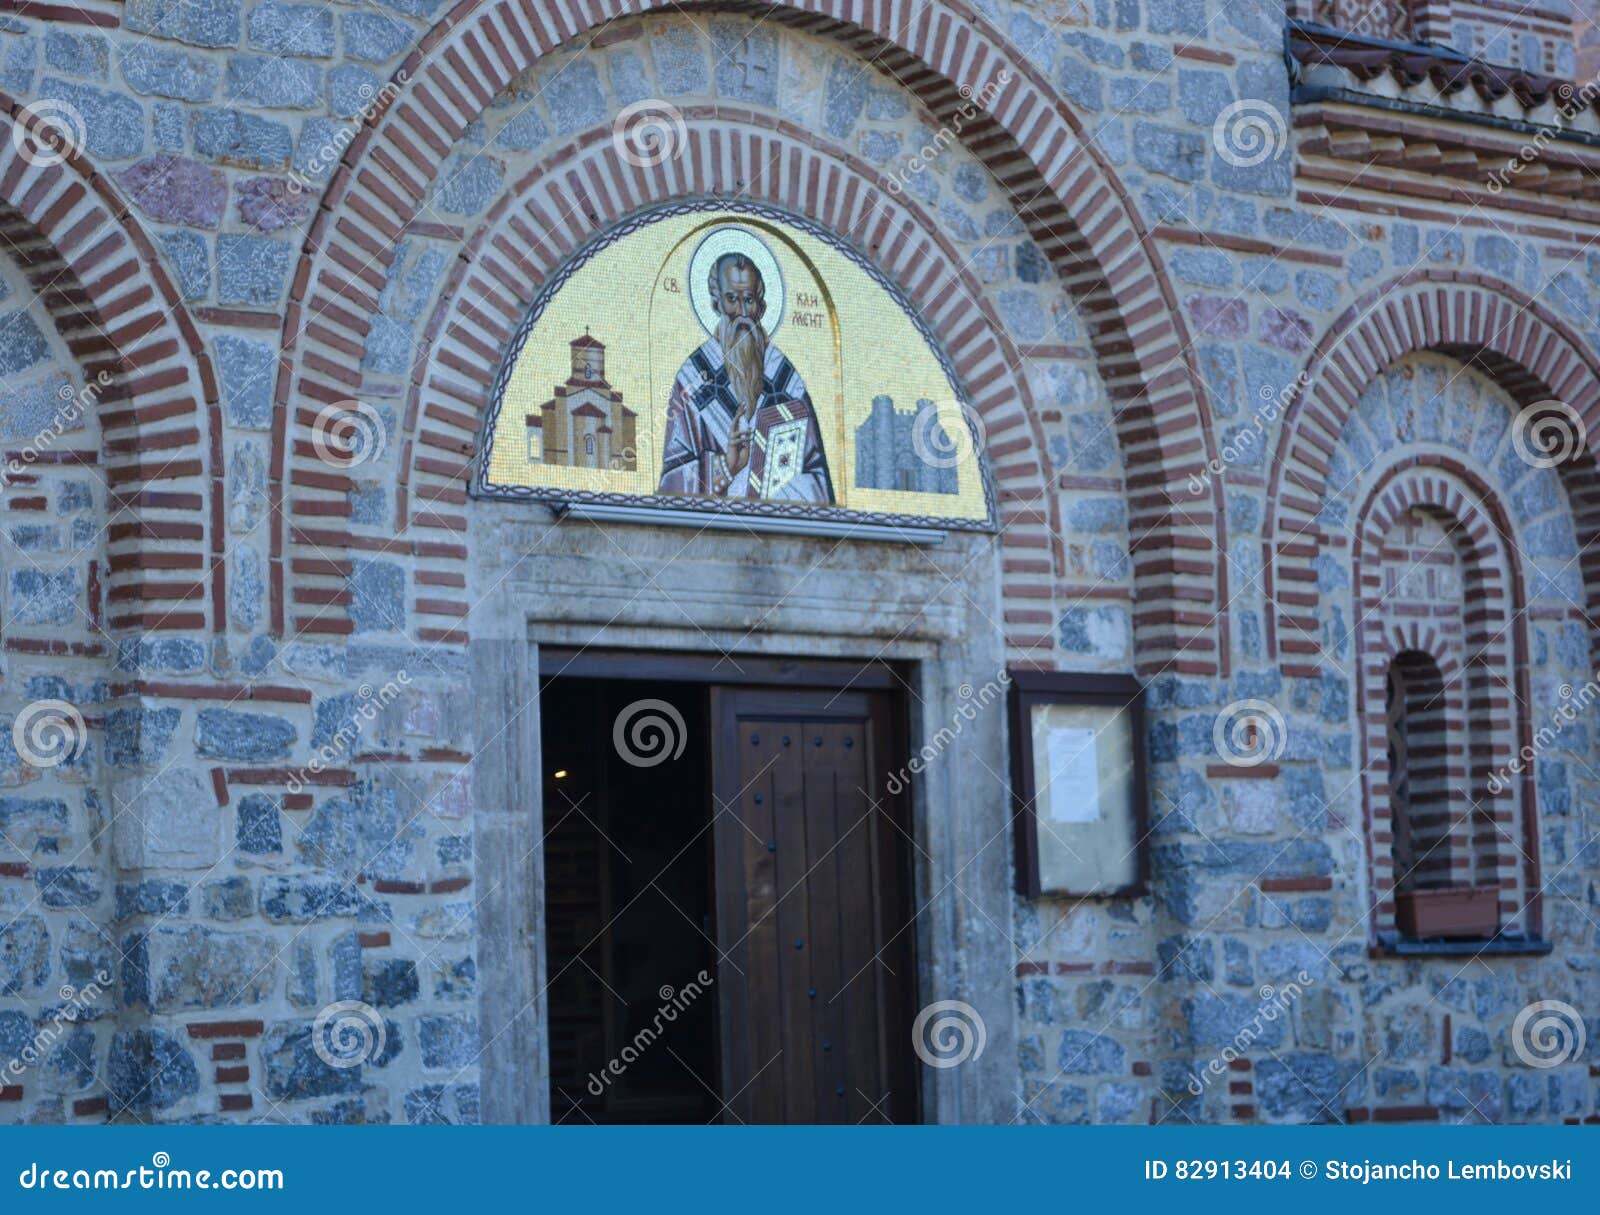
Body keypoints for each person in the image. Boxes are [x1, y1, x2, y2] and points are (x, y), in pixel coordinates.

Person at [658, 253, 834, 502]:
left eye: (748, 300)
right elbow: (670, 484)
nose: (741, 312)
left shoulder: (786, 378)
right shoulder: (693, 377)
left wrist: (780, 487)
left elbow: (817, 477)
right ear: (716, 303)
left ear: (760, 306)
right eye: (732, 299)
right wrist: (725, 467)